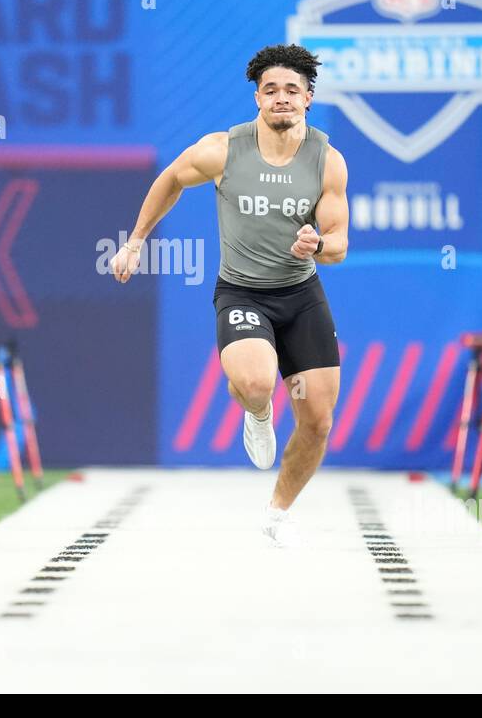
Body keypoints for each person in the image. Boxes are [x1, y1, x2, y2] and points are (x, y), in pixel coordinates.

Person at [110, 44, 349, 547]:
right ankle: (257, 413)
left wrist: (319, 243)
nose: (281, 98)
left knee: (318, 420)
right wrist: (135, 242)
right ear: (257, 98)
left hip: (301, 294)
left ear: (308, 98)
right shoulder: (223, 150)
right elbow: (171, 179)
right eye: (270, 91)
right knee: (258, 383)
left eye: (291, 90)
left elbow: (339, 245)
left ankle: (278, 512)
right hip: (244, 293)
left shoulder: (328, 162)